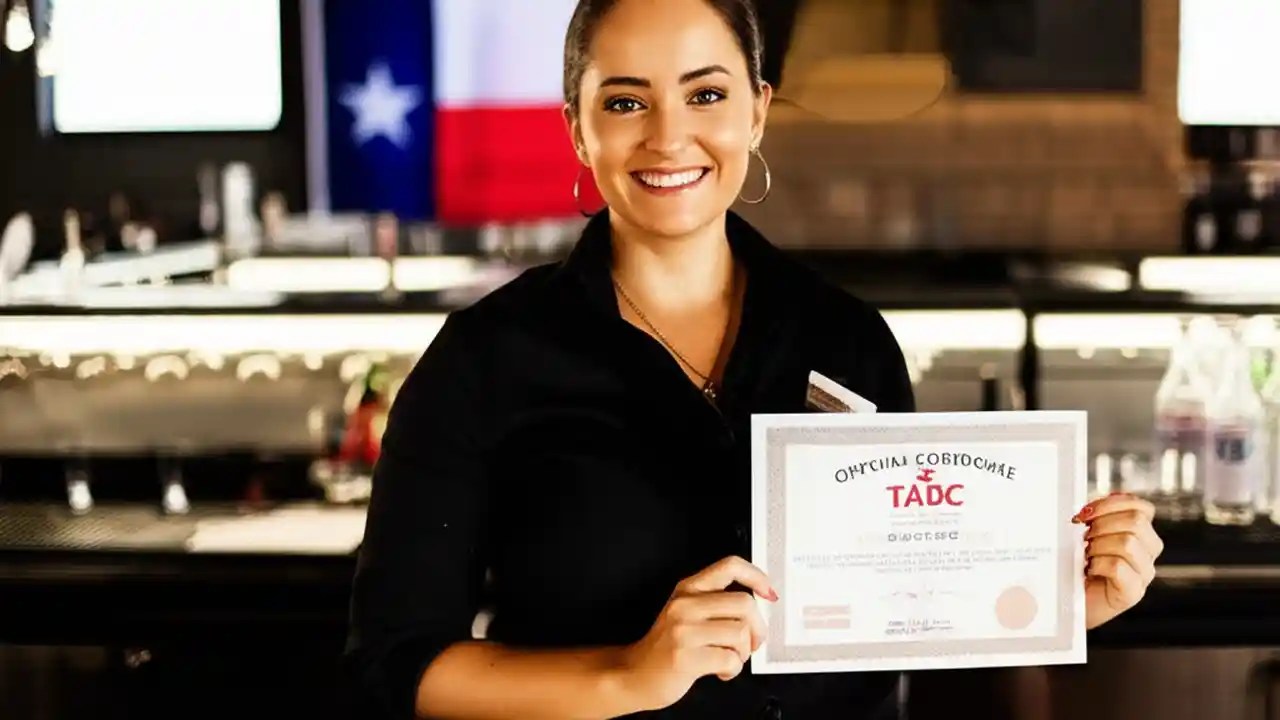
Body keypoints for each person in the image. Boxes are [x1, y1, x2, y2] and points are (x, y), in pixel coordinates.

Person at [343, 0, 1165, 718]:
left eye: (706, 94)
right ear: (577, 130)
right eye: (625, 102)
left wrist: (1058, 601)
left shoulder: (848, 339)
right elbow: (396, 665)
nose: (670, 137)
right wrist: (628, 675)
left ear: (758, 112)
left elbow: (903, 611)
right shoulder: (484, 360)